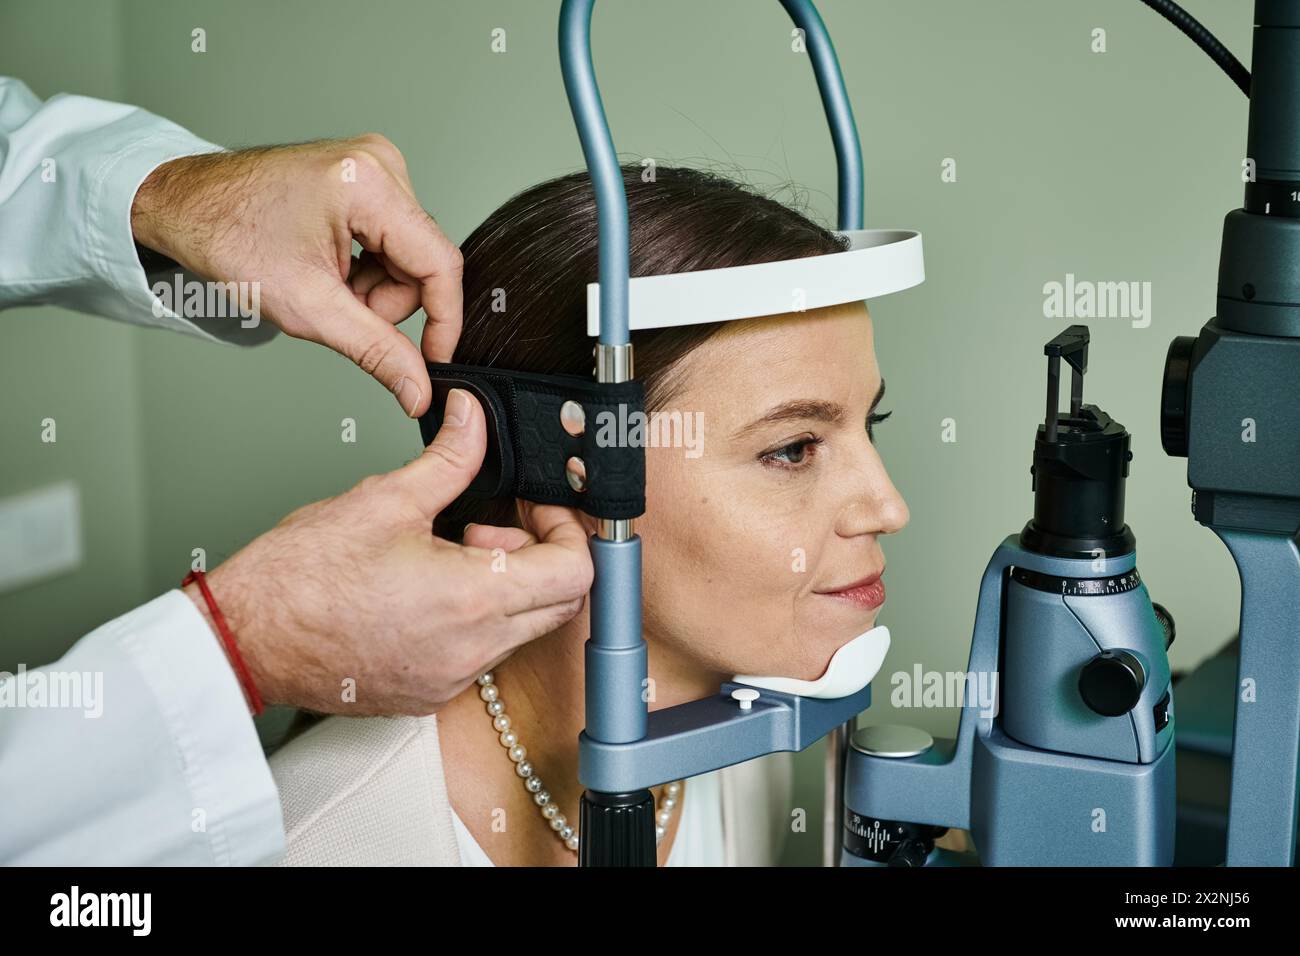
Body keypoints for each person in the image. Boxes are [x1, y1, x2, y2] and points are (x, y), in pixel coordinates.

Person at [0, 77, 592, 865]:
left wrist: (170, 193)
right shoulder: (334, 830)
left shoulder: (719, 732)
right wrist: (242, 644)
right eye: (786, 451)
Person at [268, 165, 911, 866]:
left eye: (869, 423)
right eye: (792, 448)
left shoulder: (741, 735)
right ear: (557, 469)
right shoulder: (326, 839)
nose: (888, 507)